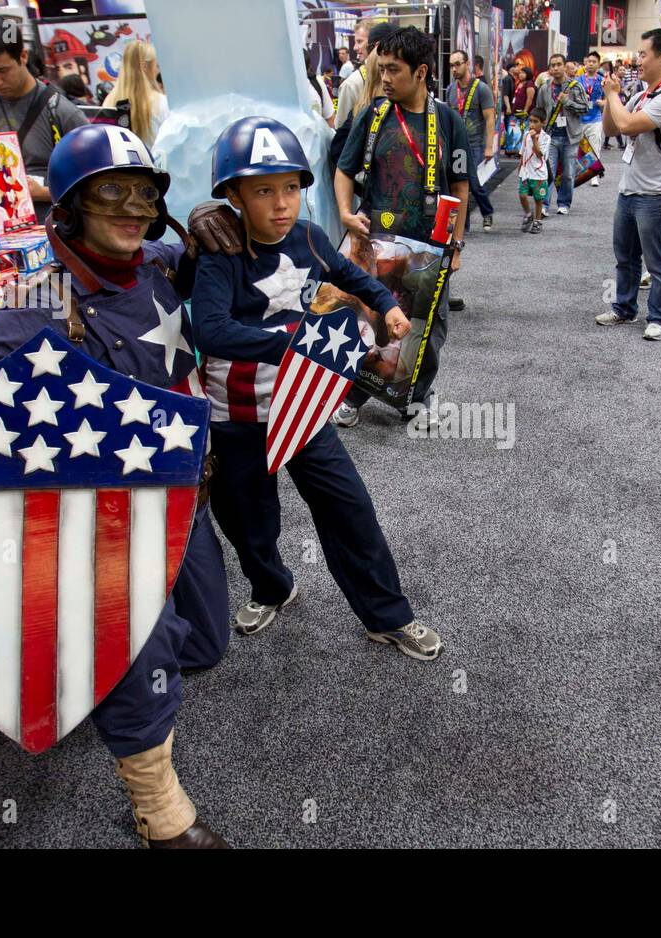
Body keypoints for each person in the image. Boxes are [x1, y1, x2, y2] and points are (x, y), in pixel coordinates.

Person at [0, 124, 237, 848]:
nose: (134, 207)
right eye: (113, 191)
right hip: (111, 529)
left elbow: (222, 263)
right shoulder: (37, 306)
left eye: (146, 193)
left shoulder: (156, 264)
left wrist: (214, 221)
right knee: (142, 658)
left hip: (188, 503)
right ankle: (159, 812)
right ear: (72, 205)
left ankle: (94, 674)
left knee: (203, 643)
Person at [190, 116, 442, 663]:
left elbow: (353, 277)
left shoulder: (308, 235)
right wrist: (293, 343)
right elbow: (208, 328)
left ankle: (387, 615)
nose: (281, 203)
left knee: (348, 505)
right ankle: (271, 587)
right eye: (262, 190)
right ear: (232, 195)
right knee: (245, 516)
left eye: (290, 188)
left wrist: (389, 304)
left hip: (300, 405)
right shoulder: (221, 251)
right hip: (234, 413)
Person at [332, 26, 470, 425]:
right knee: (366, 320)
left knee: (428, 327)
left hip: (430, 244)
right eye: (382, 69)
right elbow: (344, 169)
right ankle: (354, 397)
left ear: (421, 72)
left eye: (394, 70)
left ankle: (417, 398)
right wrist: (344, 211)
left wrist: (456, 246)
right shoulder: (373, 115)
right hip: (375, 240)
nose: (385, 78)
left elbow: (459, 186)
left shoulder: (447, 120)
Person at [594, 28, 661, 341]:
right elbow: (611, 127)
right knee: (625, 257)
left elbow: (627, 124)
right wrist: (614, 97)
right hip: (629, 190)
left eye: (644, 54)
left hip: (656, 194)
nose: (638, 60)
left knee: (659, 262)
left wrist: (611, 95)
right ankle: (624, 308)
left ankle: (659, 318)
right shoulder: (642, 94)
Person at [0, 14, 89, 224]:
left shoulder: (62, 113)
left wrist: (40, 192)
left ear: (23, 56)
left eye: (3, 70)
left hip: (50, 234)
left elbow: (92, 190)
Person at [446, 49, 497, 232]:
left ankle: (487, 212)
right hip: (456, 144)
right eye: (451, 65)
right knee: (458, 183)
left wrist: (489, 147)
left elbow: (490, 118)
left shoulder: (481, 89)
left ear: (467, 64)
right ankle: (463, 224)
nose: (454, 69)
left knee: (474, 183)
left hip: (475, 144)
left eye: (457, 64)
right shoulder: (451, 89)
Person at [533, 54, 589, 216]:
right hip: (550, 136)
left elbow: (584, 108)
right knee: (547, 171)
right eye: (552, 65)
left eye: (558, 64)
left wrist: (567, 102)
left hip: (570, 137)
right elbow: (539, 110)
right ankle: (544, 204)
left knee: (568, 173)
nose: (555, 68)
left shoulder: (575, 86)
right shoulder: (545, 88)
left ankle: (564, 202)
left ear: (565, 66)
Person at [102, 40, 169, 149]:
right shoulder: (161, 102)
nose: (157, 70)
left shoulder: (109, 101)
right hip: (155, 164)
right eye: (156, 65)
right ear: (145, 66)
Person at [519, 108, 551, 234]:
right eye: (530, 121)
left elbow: (539, 154)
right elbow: (523, 151)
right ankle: (528, 214)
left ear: (543, 123)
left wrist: (534, 140)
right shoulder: (526, 135)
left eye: (535, 121)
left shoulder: (546, 138)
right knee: (522, 195)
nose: (531, 124)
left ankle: (538, 221)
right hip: (526, 172)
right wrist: (520, 166)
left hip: (539, 174)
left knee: (538, 199)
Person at [578, 51, 607, 186]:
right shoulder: (577, 81)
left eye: (594, 62)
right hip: (579, 119)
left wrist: (604, 102)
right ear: (585, 63)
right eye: (589, 61)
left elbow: (611, 97)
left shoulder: (602, 81)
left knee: (595, 145)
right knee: (579, 147)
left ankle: (594, 175)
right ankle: (582, 171)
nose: (590, 64)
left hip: (595, 118)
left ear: (598, 64)